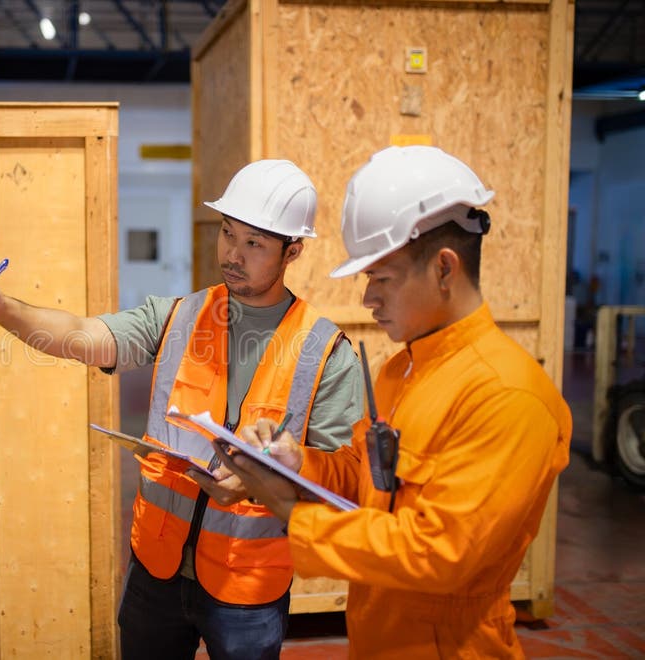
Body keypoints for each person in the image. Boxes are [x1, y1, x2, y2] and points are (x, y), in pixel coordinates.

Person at [0, 159, 364, 659]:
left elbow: (339, 480)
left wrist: (257, 484)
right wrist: (1, 308)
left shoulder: (325, 352)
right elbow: (82, 335)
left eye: (254, 243)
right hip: (155, 567)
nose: (232, 254)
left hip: (247, 584)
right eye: (228, 233)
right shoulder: (178, 316)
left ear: (293, 251)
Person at [217, 146, 572, 658]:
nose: (369, 299)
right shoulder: (400, 372)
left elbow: (440, 555)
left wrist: (289, 509)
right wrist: (296, 463)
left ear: (444, 269)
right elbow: (365, 478)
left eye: (382, 278)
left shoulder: (507, 396)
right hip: (376, 638)